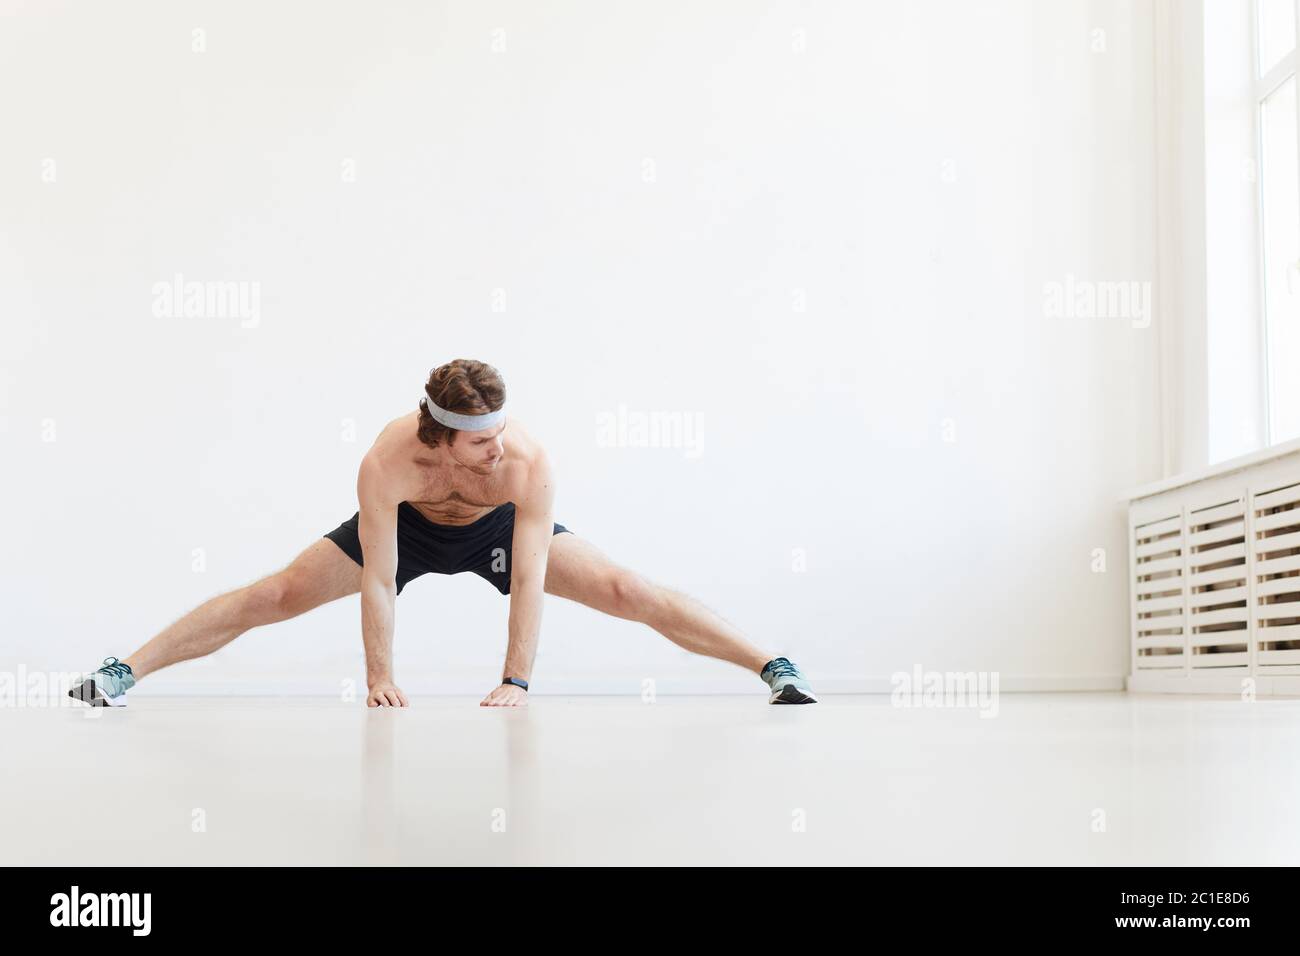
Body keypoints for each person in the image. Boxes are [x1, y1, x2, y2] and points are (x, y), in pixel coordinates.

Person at [69, 359, 817, 708]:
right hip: (408, 530)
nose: (500, 447)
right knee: (277, 592)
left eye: (500, 432)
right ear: (442, 438)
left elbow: (527, 579)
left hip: (496, 531)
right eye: (482, 441)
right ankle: (122, 673)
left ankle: (772, 666)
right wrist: (379, 678)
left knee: (627, 588)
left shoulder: (523, 463)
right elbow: (379, 577)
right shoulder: (389, 462)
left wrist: (516, 679)